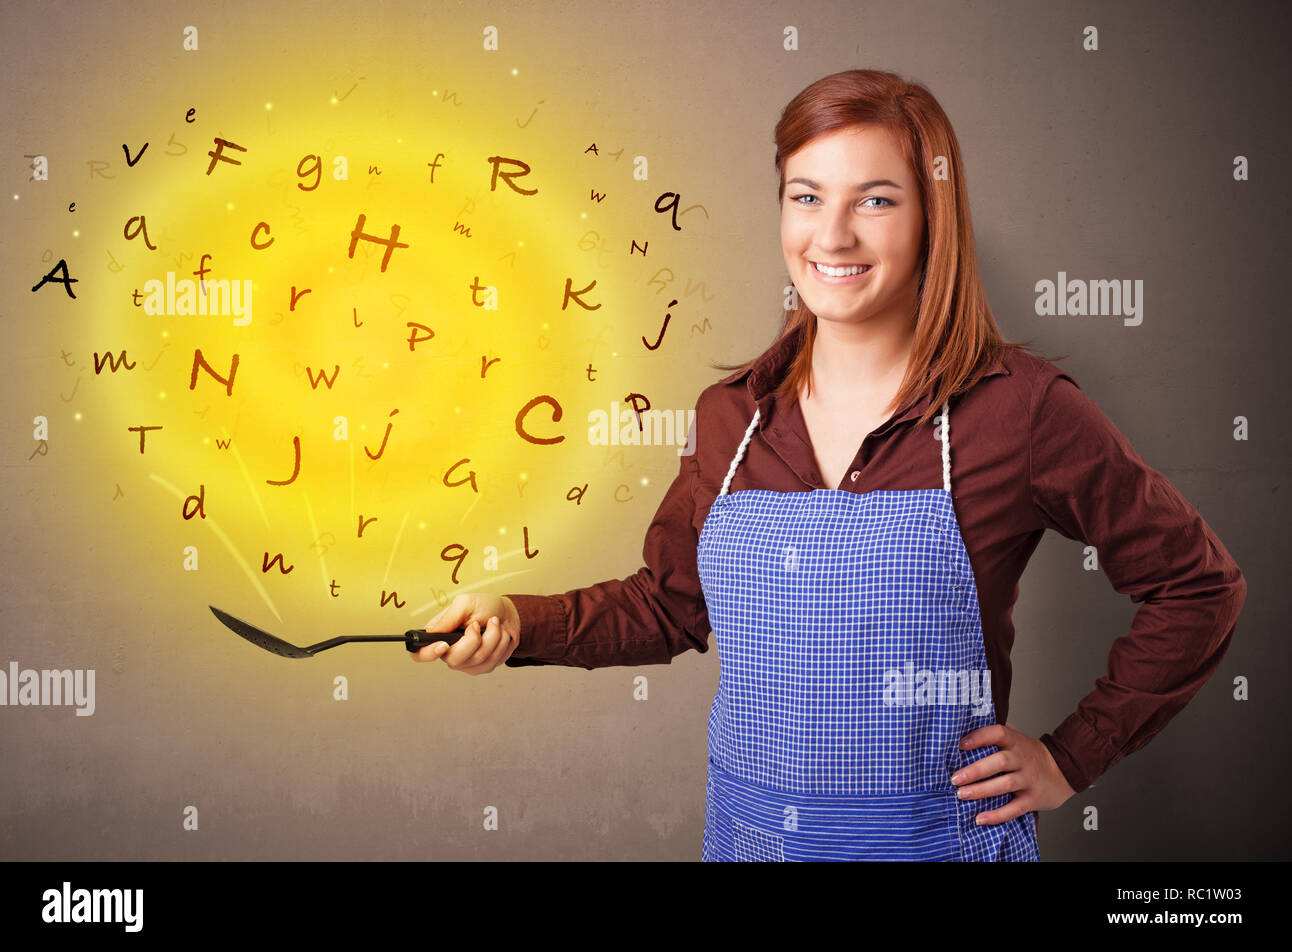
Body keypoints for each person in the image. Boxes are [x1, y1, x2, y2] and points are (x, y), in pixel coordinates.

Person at [411, 69, 1247, 861]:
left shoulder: (1017, 410)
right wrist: (520, 621)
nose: (832, 235)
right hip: (754, 844)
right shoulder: (731, 416)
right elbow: (668, 607)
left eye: (875, 201)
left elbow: (1198, 585)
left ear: (932, 217)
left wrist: (1071, 758)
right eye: (806, 198)